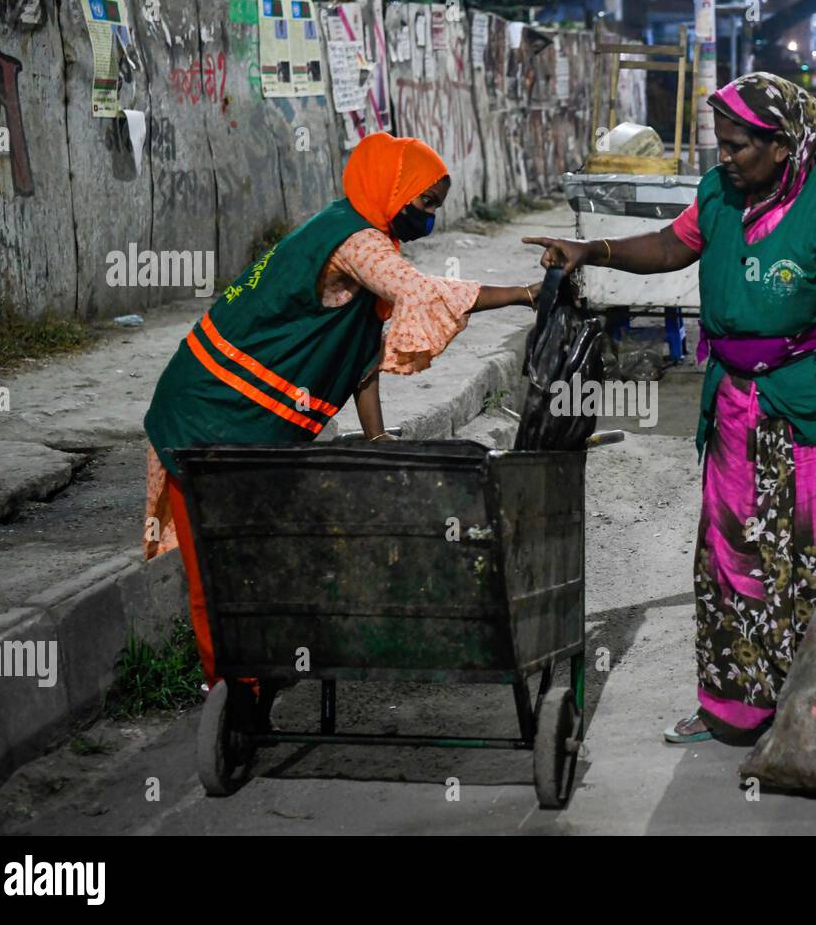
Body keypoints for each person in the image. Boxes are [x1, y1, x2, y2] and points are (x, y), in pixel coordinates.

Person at [525, 72, 816, 744]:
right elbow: (674, 246)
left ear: (783, 145)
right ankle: (733, 709)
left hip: (811, 408)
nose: (722, 158)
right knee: (730, 556)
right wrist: (594, 251)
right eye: (719, 145)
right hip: (734, 404)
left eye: (737, 147)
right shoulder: (721, 193)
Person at [142, 131, 540, 687]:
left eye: (434, 208)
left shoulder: (356, 228)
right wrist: (526, 294)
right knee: (218, 562)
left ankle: (262, 671)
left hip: (241, 414)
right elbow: (422, 294)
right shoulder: (358, 244)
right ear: (390, 188)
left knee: (259, 550)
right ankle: (233, 691)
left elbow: (359, 354)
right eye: (423, 203)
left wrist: (377, 441)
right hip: (206, 408)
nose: (426, 218)